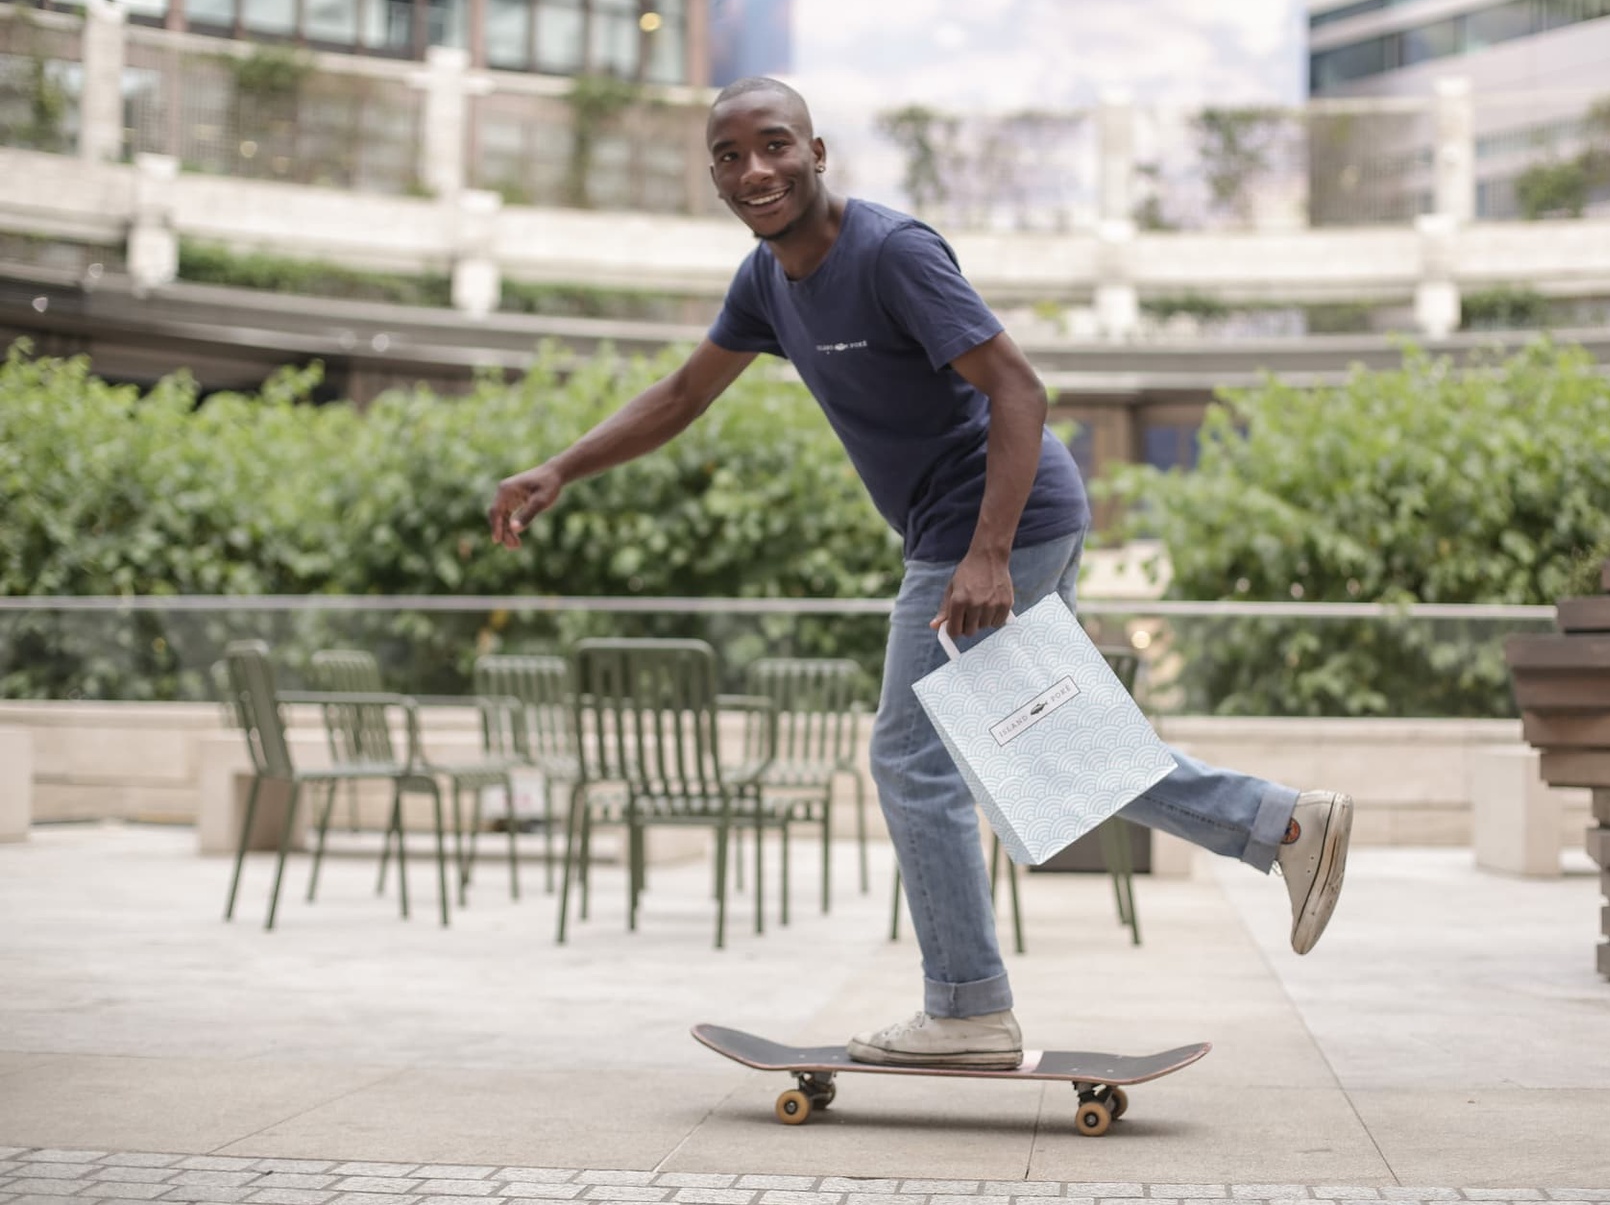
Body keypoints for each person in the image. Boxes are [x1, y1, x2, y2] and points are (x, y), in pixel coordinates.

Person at [489, 76, 1354, 1069]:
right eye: (730, 156)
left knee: (910, 758)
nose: (754, 171)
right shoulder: (766, 281)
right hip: (985, 527)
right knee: (1050, 750)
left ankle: (968, 1010)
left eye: (774, 146)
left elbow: (1020, 391)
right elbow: (685, 392)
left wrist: (986, 554)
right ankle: (1281, 825)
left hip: (993, 520)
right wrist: (560, 467)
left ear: (818, 154)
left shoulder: (892, 253)